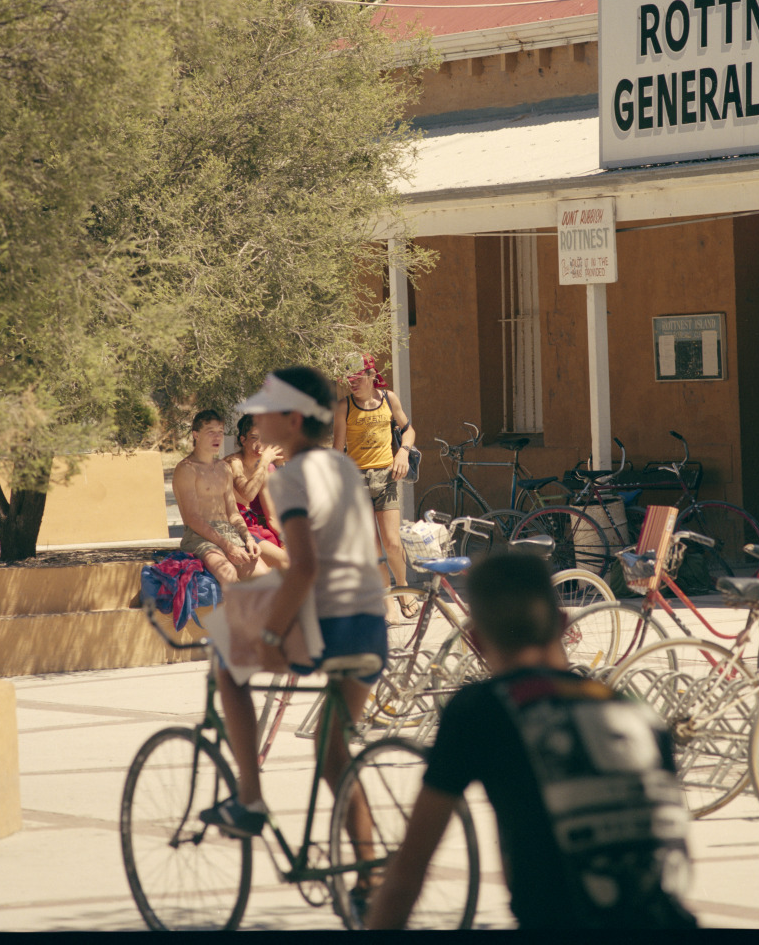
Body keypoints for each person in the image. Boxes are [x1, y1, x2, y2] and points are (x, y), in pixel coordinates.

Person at [367, 552, 698, 931]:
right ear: (561, 624)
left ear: (474, 638)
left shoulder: (481, 710)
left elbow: (408, 873)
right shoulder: (635, 712)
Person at [200, 367, 387, 916]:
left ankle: (250, 798)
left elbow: (303, 568)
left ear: (293, 417)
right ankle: (370, 871)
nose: (256, 419)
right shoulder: (344, 467)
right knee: (333, 751)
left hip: (326, 622)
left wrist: (269, 633)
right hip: (370, 623)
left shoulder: (293, 476)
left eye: (266, 410)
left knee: (226, 664)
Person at [331, 355, 416, 619]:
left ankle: (403, 588)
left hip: (386, 477)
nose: (352, 383)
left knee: (391, 542)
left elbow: (409, 430)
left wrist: (403, 452)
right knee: (373, 547)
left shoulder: (389, 399)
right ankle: (387, 603)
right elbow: (338, 449)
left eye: (357, 378)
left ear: (370, 375)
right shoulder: (343, 407)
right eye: (349, 379)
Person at [171, 409, 287, 585]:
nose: (217, 437)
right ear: (196, 434)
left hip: (230, 533)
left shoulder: (223, 468)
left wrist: (247, 538)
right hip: (199, 537)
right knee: (229, 575)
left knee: (264, 578)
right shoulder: (186, 469)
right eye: (211, 432)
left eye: (220, 432)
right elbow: (192, 519)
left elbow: (233, 513)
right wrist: (229, 546)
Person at [223, 414, 284, 548]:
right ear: (243, 440)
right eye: (254, 438)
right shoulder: (234, 462)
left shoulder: (264, 468)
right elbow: (248, 494)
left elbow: (272, 518)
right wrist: (265, 460)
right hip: (234, 528)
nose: (260, 445)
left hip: (255, 526)